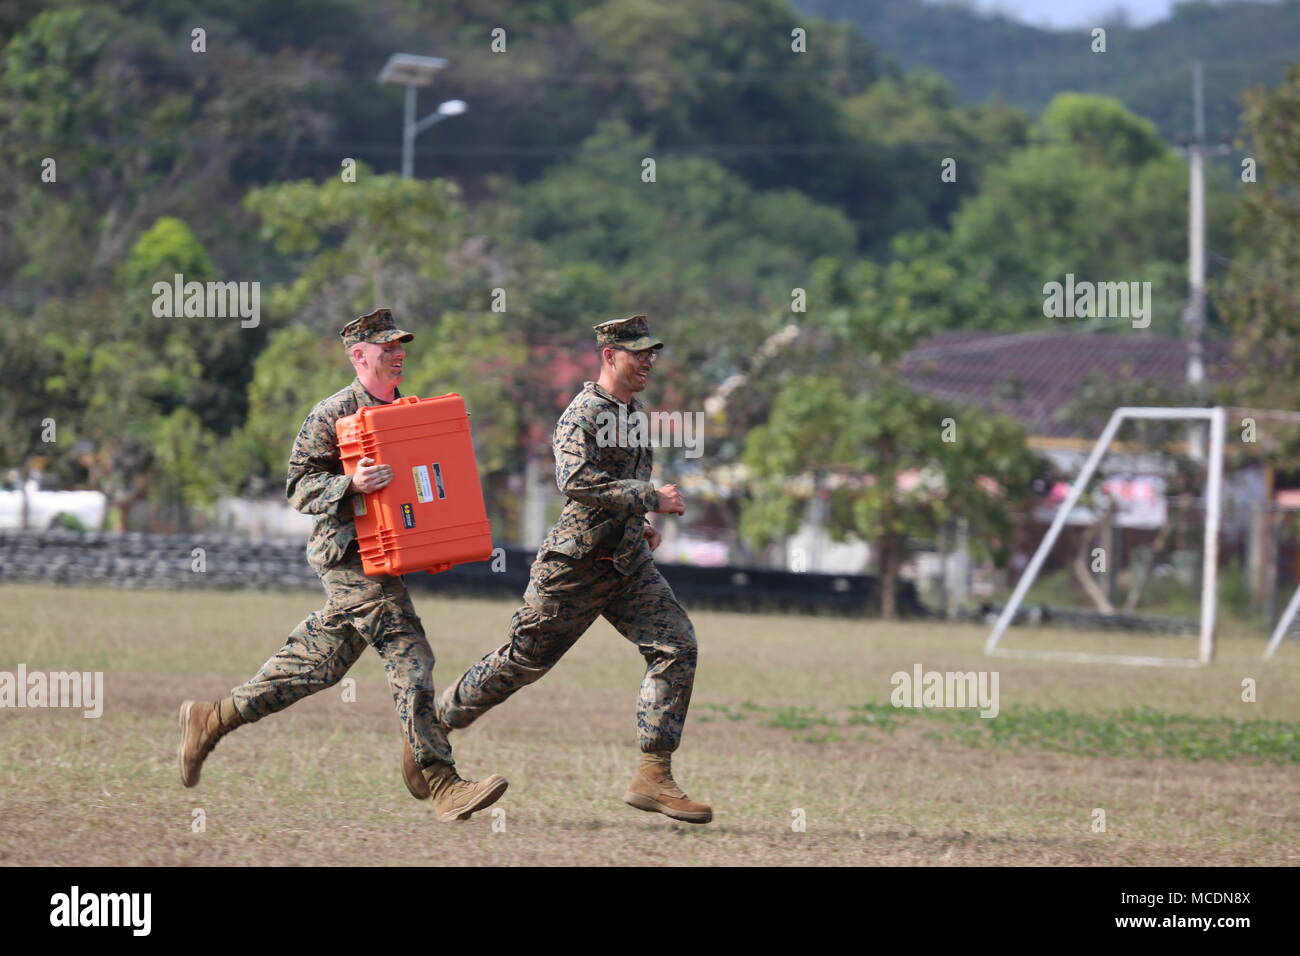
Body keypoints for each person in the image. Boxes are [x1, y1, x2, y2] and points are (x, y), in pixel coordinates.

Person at [176, 308, 508, 823]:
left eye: (401, 346)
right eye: (386, 348)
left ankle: (212, 719)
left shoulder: (409, 412)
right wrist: (349, 484)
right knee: (410, 653)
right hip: (348, 558)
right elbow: (298, 488)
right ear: (359, 355)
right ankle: (441, 780)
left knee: (317, 666)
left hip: (387, 558)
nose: (397, 355)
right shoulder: (332, 413)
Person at [438, 315, 710, 823]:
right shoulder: (582, 413)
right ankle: (436, 724)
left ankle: (653, 774)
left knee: (677, 645)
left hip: (627, 564)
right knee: (521, 663)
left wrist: (641, 520)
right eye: (638, 352)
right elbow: (577, 480)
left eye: (652, 351)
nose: (649, 359)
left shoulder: (635, 414)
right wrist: (650, 496)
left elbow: (618, 486)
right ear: (609, 356)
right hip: (575, 568)